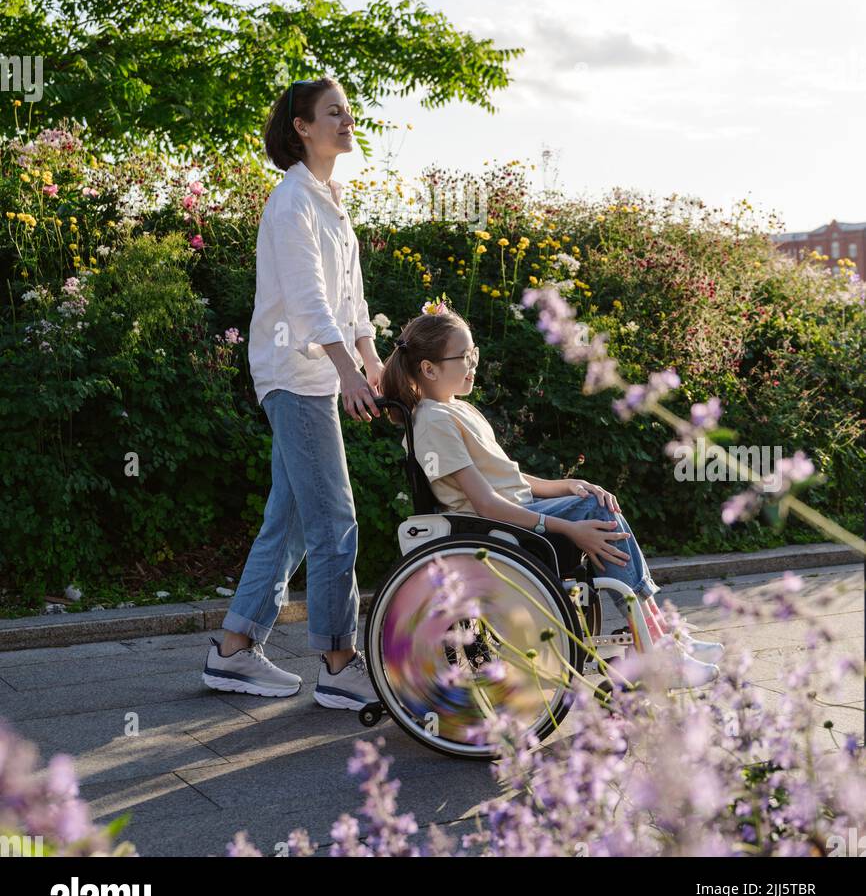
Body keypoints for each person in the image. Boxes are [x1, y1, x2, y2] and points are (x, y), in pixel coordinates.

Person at [378, 305, 724, 691]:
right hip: (494, 528)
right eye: (464, 357)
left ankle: (664, 639)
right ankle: (660, 644)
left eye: (474, 353)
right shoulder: (434, 422)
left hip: (513, 511)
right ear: (429, 369)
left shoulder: (455, 409)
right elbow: (487, 504)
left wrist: (565, 484)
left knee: (593, 498)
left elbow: (506, 477)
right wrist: (569, 527)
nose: (473, 363)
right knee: (596, 510)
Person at [202, 75, 384, 711]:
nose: (346, 120)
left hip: (318, 379)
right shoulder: (291, 202)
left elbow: (350, 298)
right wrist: (348, 370)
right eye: (333, 113)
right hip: (295, 378)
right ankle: (338, 663)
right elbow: (308, 302)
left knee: (291, 525)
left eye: (347, 112)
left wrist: (370, 360)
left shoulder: (331, 199)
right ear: (302, 126)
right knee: (335, 521)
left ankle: (232, 650)